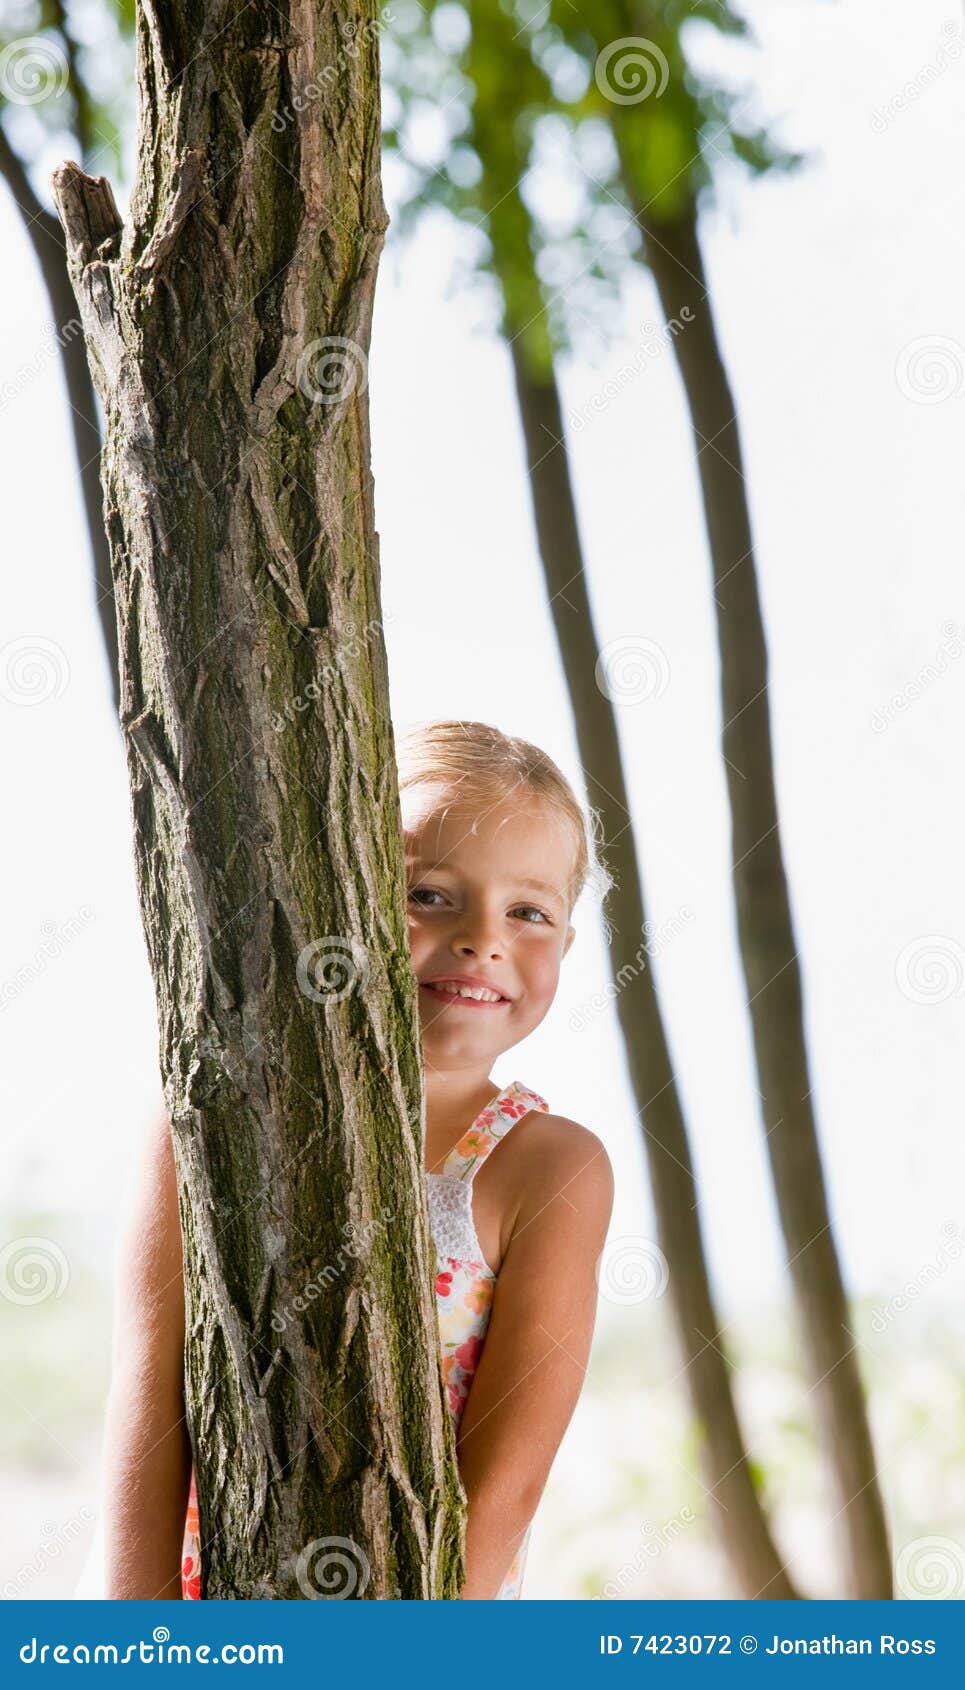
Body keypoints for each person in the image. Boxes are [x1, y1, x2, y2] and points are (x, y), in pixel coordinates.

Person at [80, 718, 615, 1599]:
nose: (484, 938)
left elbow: (508, 1481)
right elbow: (148, 1382)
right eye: (431, 895)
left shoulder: (548, 1169)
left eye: (528, 912)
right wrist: (135, 1632)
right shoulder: (205, 1117)